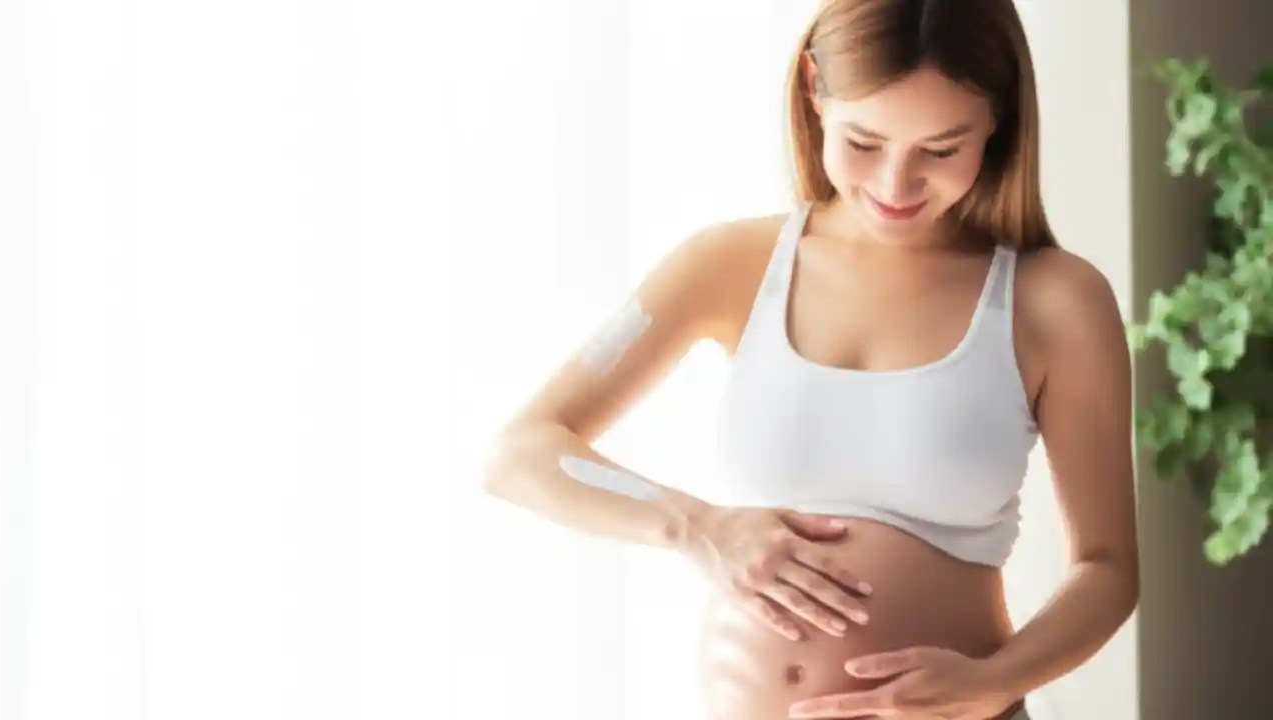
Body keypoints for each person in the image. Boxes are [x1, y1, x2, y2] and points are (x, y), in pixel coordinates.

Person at [480, 1, 1140, 718]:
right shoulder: (729, 263)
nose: (896, 185)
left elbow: (1107, 571)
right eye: (864, 141)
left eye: (941, 150)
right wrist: (699, 525)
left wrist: (993, 681)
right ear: (814, 92)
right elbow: (520, 454)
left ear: (998, 121)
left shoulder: (1055, 302)